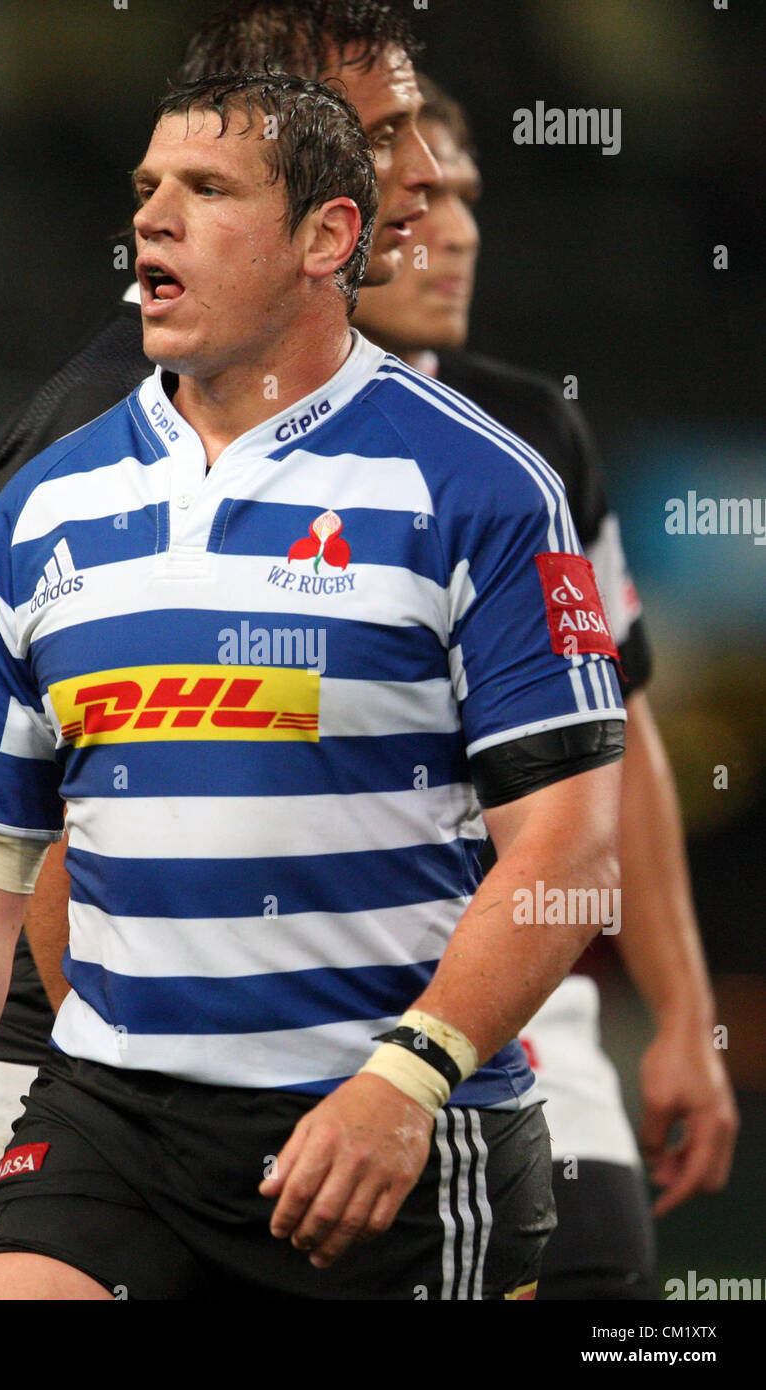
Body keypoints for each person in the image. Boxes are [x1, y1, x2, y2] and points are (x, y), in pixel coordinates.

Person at [0, 68, 625, 1301]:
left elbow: (572, 855)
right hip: (116, 1127)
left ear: (329, 237)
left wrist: (406, 1079)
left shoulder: (478, 486)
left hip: (395, 1118)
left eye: (206, 188)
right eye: (146, 188)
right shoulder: (53, 503)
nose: (151, 217)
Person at [351, 79, 738, 1298]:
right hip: (282, 1010)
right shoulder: (174, 426)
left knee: (607, 1285)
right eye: (419, 203)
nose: (457, 232)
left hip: (523, 1010)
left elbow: (618, 733)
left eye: (466, 196)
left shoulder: (536, 438)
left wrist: (684, 1012)